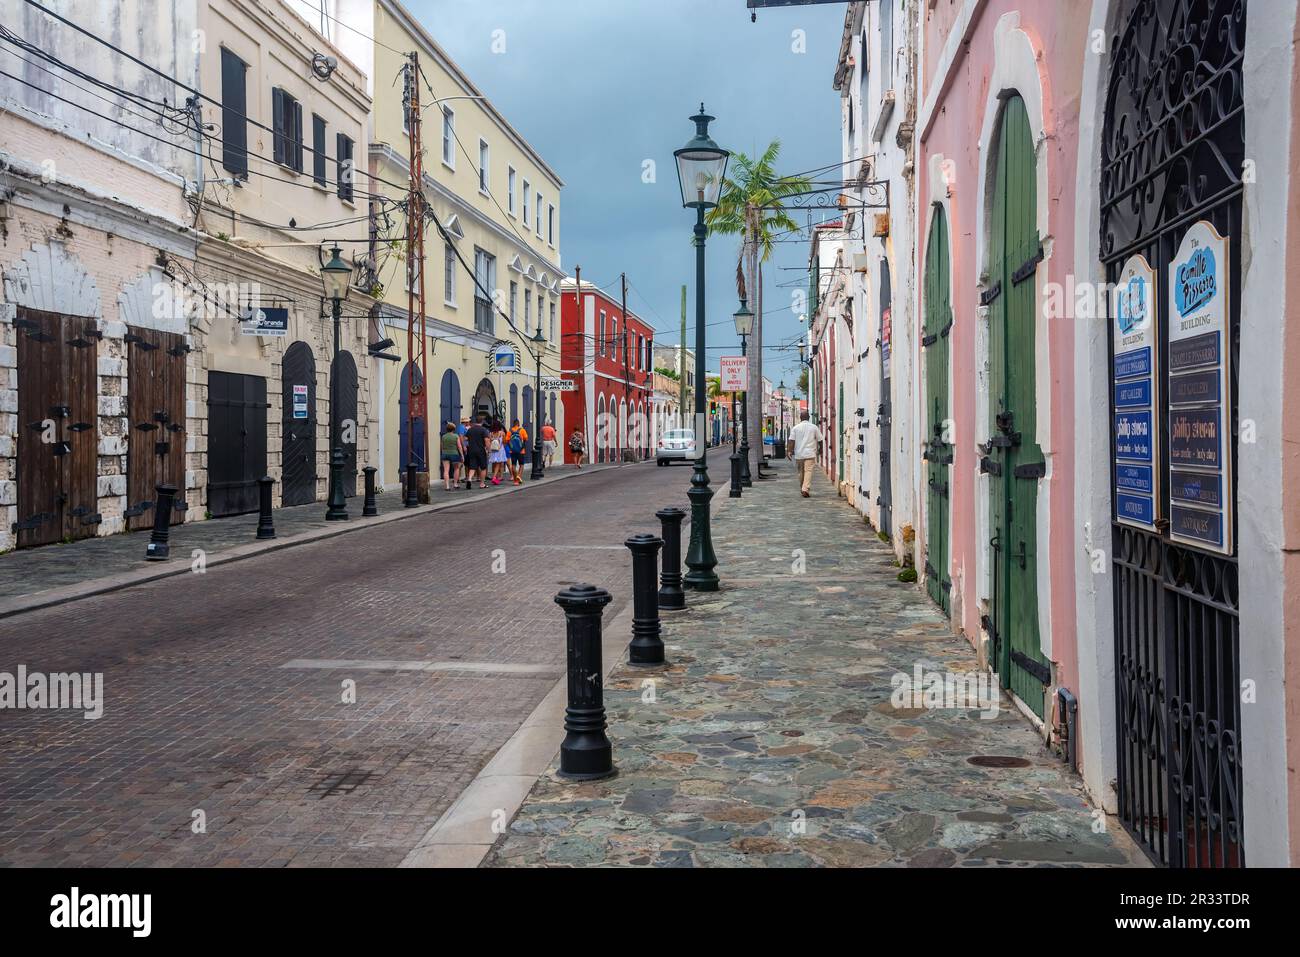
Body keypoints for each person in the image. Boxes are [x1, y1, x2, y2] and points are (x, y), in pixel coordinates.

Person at [788, 411, 822, 498]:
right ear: (809, 418)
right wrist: (820, 449)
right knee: (808, 471)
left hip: (799, 454)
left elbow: (791, 441)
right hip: (810, 453)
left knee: (801, 472)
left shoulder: (795, 428)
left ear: (800, 418)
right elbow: (820, 440)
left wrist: (789, 451)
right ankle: (804, 488)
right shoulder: (814, 427)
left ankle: (804, 488)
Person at [463, 416, 490, 488]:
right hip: (481, 450)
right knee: (483, 467)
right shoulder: (484, 430)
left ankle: (469, 479)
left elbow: (465, 438)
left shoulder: (470, 430)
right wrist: (488, 450)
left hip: (471, 450)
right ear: (482, 422)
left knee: (472, 467)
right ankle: (482, 484)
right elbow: (486, 440)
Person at [440, 422, 463, 491]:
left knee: (446, 470)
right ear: (454, 429)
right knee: (456, 469)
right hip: (454, 454)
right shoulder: (456, 436)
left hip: (445, 454)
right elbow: (459, 446)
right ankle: (455, 484)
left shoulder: (443, 436)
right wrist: (462, 455)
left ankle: (447, 486)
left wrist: (443, 452)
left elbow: (441, 446)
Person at [506, 418, 529, 485]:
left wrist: (511, 448)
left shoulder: (510, 431)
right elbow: (526, 439)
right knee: (521, 464)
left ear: (513, 424)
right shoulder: (522, 430)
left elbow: (506, 441)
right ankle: (519, 476)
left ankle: (515, 481)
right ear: (518, 424)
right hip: (521, 451)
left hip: (512, 451)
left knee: (513, 465)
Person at [487, 418, 508, 485]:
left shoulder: (491, 433)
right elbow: (504, 442)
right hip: (500, 450)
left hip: (493, 450)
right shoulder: (502, 433)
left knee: (495, 463)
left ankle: (495, 476)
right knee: (499, 464)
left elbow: (490, 441)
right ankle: (494, 477)